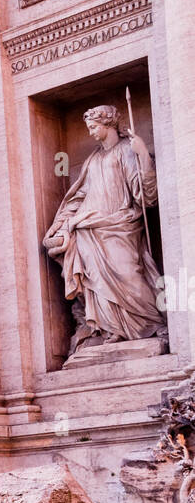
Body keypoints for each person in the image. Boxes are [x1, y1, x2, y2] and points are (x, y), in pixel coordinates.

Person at [43, 104, 164, 352]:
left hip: (120, 225)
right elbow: (79, 196)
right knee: (95, 280)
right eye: (88, 127)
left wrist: (142, 155)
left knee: (130, 274)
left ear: (108, 125)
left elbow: (146, 196)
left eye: (94, 127)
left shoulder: (126, 151)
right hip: (89, 229)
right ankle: (112, 328)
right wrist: (61, 224)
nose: (90, 132)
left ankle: (152, 322)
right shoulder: (93, 159)